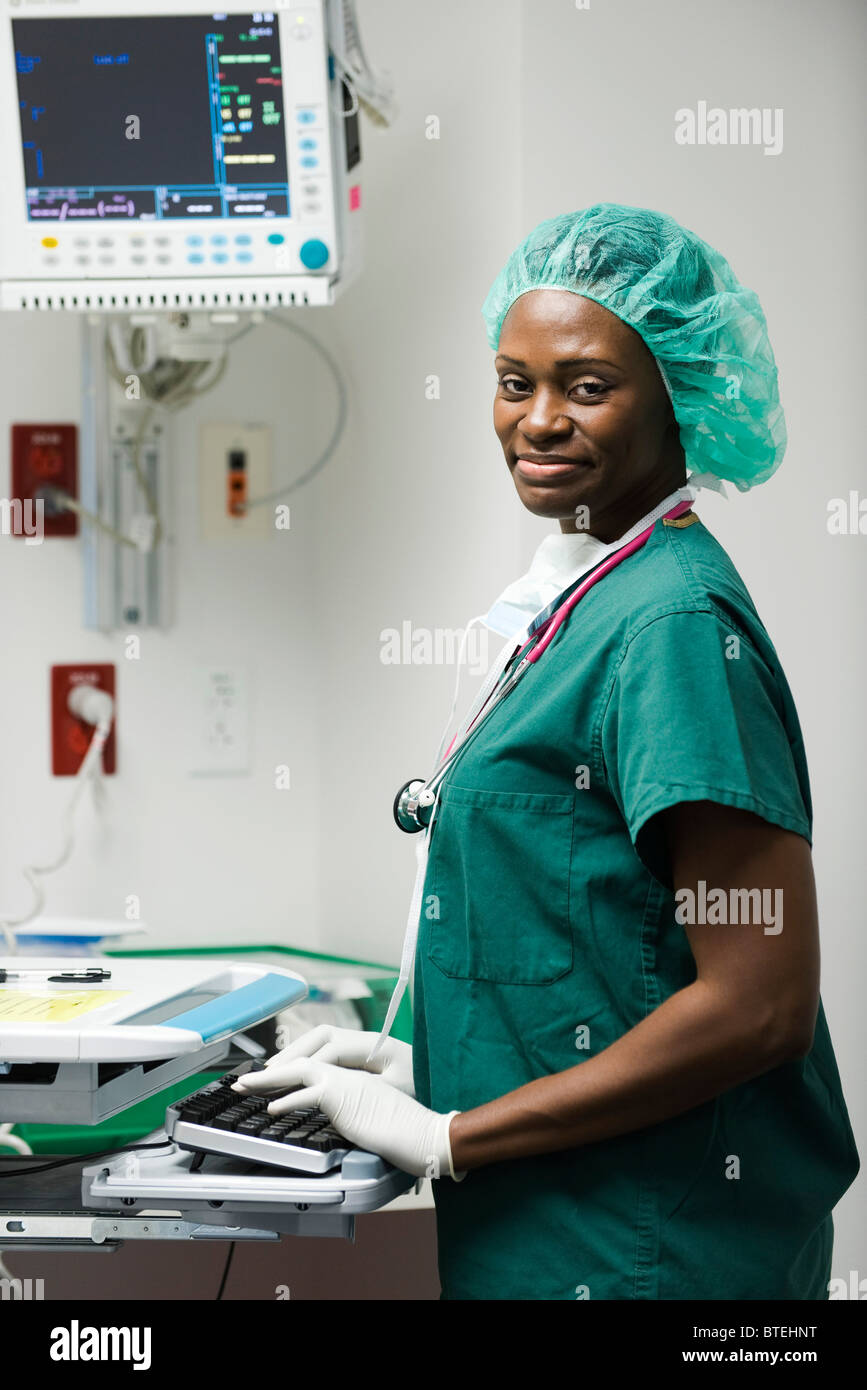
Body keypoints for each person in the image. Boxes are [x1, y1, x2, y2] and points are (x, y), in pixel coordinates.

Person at [235, 205, 860, 1300]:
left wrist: (452, 1132)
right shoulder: (589, 598)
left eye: (585, 384)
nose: (537, 420)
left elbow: (758, 1001)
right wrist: (430, 1069)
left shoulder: (670, 628)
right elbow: (599, 936)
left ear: (679, 394)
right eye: (514, 381)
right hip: (565, 1235)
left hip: (646, 1253)